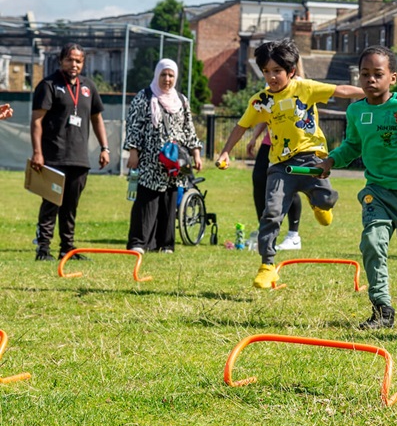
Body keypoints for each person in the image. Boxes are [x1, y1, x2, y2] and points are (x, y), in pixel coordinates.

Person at [317, 45, 397, 330]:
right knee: (373, 242)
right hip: (375, 190)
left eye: (378, 74)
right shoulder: (355, 111)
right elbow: (352, 146)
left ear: (393, 77)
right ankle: (382, 310)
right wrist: (330, 160)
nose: (370, 80)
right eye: (365, 74)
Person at [215, 39, 363, 288]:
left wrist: (373, 92)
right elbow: (242, 126)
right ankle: (267, 265)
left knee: (326, 200)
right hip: (281, 164)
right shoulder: (260, 100)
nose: (271, 77)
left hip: (312, 157)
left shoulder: (304, 88)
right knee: (271, 212)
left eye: (277, 71)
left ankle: (319, 204)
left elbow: (340, 91)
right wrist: (225, 152)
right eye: (266, 71)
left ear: (291, 71)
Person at [30, 43, 110, 261]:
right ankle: (43, 249)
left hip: (79, 158)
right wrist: (38, 152)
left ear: (83, 63)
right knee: (51, 202)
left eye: (78, 61)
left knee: (70, 207)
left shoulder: (88, 87)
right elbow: (37, 121)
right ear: (61, 61)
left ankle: (67, 249)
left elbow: (97, 118)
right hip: (54, 155)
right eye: (70, 60)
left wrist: (104, 147)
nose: (74, 64)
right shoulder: (48, 85)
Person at [123, 59, 203, 254]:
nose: (167, 79)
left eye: (171, 75)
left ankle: (165, 244)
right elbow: (134, 126)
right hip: (151, 158)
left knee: (170, 200)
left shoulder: (181, 100)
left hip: (176, 161)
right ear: (157, 75)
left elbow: (188, 129)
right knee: (147, 200)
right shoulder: (144, 97)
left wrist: (196, 153)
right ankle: (139, 242)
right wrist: (133, 151)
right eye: (163, 74)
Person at [247, 122, 303, 251]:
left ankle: (293, 236)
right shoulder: (272, 100)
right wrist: (254, 137)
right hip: (270, 142)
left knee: (289, 183)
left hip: (291, 143)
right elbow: (266, 116)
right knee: (259, 179)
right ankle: (264, 232)